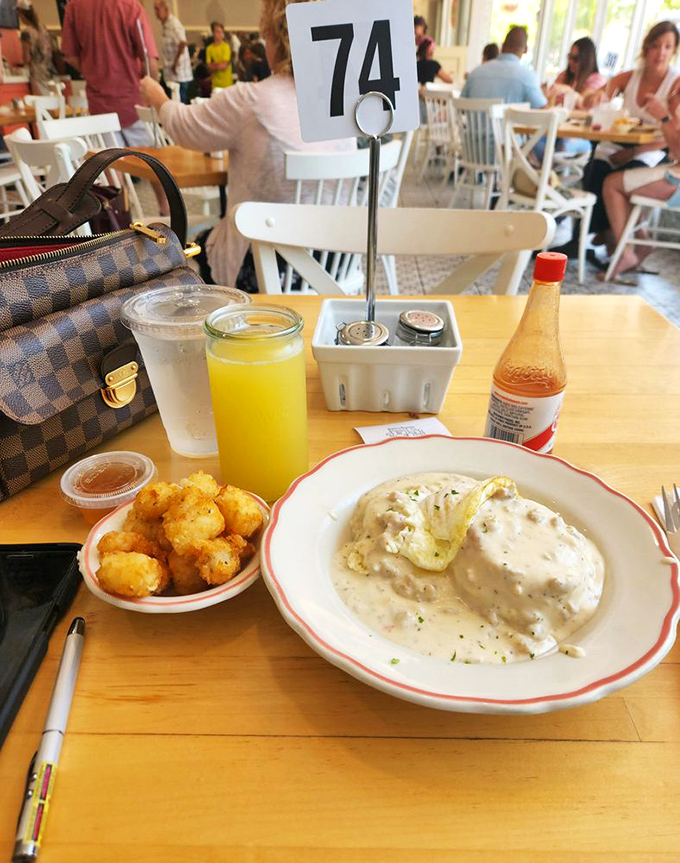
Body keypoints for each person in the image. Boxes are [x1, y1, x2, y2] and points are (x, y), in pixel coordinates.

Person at [139, 0, 356, 289]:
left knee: (188, 245)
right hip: (333, 264)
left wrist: (158, 96)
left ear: (275, 39)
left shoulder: (251, 101)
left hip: (263, 271)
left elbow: (183, 126)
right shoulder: (342, 105)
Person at [583, 20, 680, 238]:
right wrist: (595, 97)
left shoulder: (675, 86)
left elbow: (673, 139)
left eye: (668, 47)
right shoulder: (631, 77)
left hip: (654, 149)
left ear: (674, 51)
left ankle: (613, 238)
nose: (661, 53)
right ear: (646, 48)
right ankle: (604, 236)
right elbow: (596, 95)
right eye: (655, 46)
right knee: (593, 170)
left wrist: (634, 152)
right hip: (619, 142)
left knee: (619, 177)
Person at [602, 92, 680, 278]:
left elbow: (676, 151)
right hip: (675, 174)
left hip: (676, 182)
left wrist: (664, 116)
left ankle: (626, 254)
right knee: (627, 180)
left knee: (612, 183)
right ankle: (642, 242)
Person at [61, 0, 159, 147]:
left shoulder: (74, 7)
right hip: (134, 104)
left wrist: (91, 70)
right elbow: (149, 61)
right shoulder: (131, 6)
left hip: (99, 108)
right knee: (148, 166)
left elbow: (70, 56)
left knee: (113, 167)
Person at [533, 37, 606, 161]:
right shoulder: (564, 76)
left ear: (586, 59)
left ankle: (548, 175)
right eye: (569, 57)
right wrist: (546, 94)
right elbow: (551, 102)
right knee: (533, 141)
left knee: (562, 146)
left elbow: (585, 104)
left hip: (579, 134)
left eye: (575, 59)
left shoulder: (596, 80)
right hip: (554, 129)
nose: (571, 62)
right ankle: (546, 175)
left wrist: (569, 91)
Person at [460, 26, 547, 108]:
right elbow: (541, 110)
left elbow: (460, 105)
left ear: (502, 46)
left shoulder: (475, 73)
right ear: (525, 49)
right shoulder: (527, 78)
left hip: (472, 124)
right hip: (509, 124)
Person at [153, 0, 192, 103]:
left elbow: (183, 42)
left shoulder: (174, 24)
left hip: (178, 74)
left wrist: (175, 63)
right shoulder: (165, 25)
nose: (155, 12)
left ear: (166, 9)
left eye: (157, 9)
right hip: (170, 73)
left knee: (179, 104)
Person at [17, 0, 54, 95]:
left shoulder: (26, 33)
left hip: (36, 74)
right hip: (48, 72)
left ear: (21, 14)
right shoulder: (43, 29)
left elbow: (27, 58)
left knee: (40, 105)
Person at [206, 22, 233, 89]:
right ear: (213, 33)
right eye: (218, 32)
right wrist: (219, 64)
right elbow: (209, 67)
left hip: (226, 84)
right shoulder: (209, 48)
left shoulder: (226, 46)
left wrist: (214, 65)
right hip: (215, 84)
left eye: (221, 32)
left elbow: (223, 66)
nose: (220, 34)